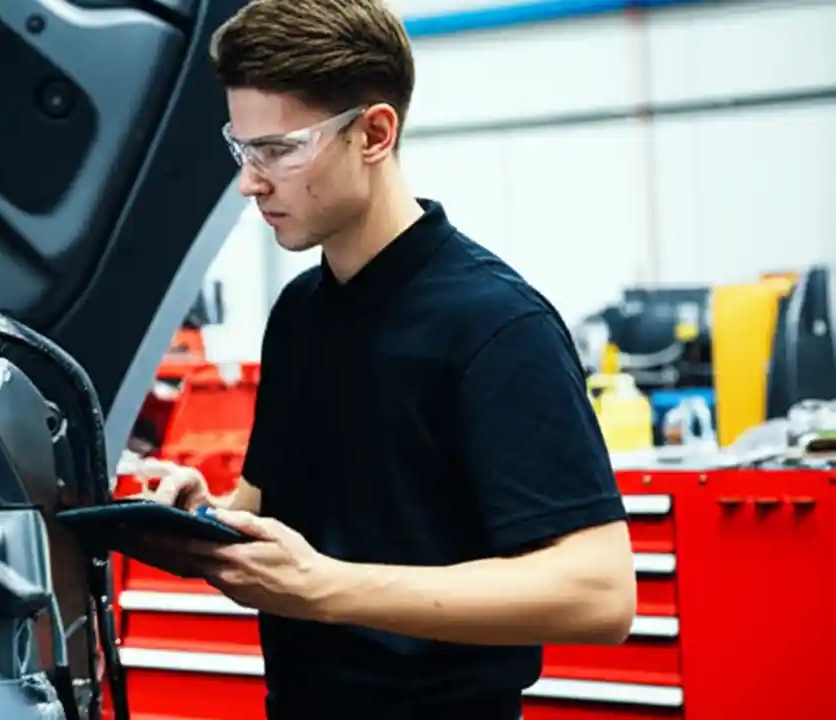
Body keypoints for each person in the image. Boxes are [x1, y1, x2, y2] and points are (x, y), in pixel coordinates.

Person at [140, 1, 639, 718]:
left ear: (375, 132)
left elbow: (600, 593)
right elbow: (267, 508)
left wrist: (324, 586)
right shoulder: (300, 314)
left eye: (279, 150)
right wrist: (201, 523)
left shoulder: (496, 324)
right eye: (243, 150)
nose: (251, 182)